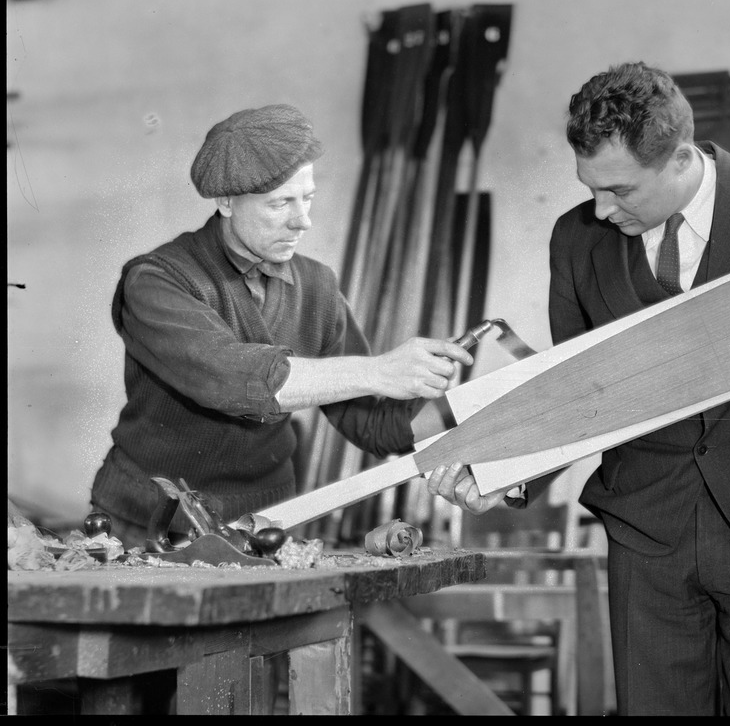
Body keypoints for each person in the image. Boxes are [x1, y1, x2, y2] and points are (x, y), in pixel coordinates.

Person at [427, 62, 730, 716]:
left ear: (679, 158)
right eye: (590, 188)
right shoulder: (576, 240)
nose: (601, 209)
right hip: (647, 532)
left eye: (619, 190)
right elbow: (574, 395)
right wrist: (503, 469)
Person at [91, 103, 472, 549]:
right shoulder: (157, 280)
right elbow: (233, 379)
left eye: (307, 198)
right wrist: (379, 370)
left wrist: (471, 408)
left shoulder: (316, 286)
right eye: (280, 203)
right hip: (142, 524)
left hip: (260, 527)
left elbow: (373, 424)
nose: (303, 220)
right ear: (226, 201)